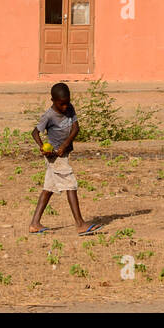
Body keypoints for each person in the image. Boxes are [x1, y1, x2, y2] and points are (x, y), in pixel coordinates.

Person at [29, 82, 100, 235]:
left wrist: (65, 144)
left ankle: (35, 223)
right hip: (54, 157)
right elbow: (35, 133)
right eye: (61, 104)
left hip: (63, 153)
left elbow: (76, 127)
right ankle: (80, 224)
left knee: (48, 189)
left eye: (67, 103)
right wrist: (42, 147)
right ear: (53, 100)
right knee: (70, 185)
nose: (65, 107)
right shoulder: (49, 115)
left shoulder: (69, 107)